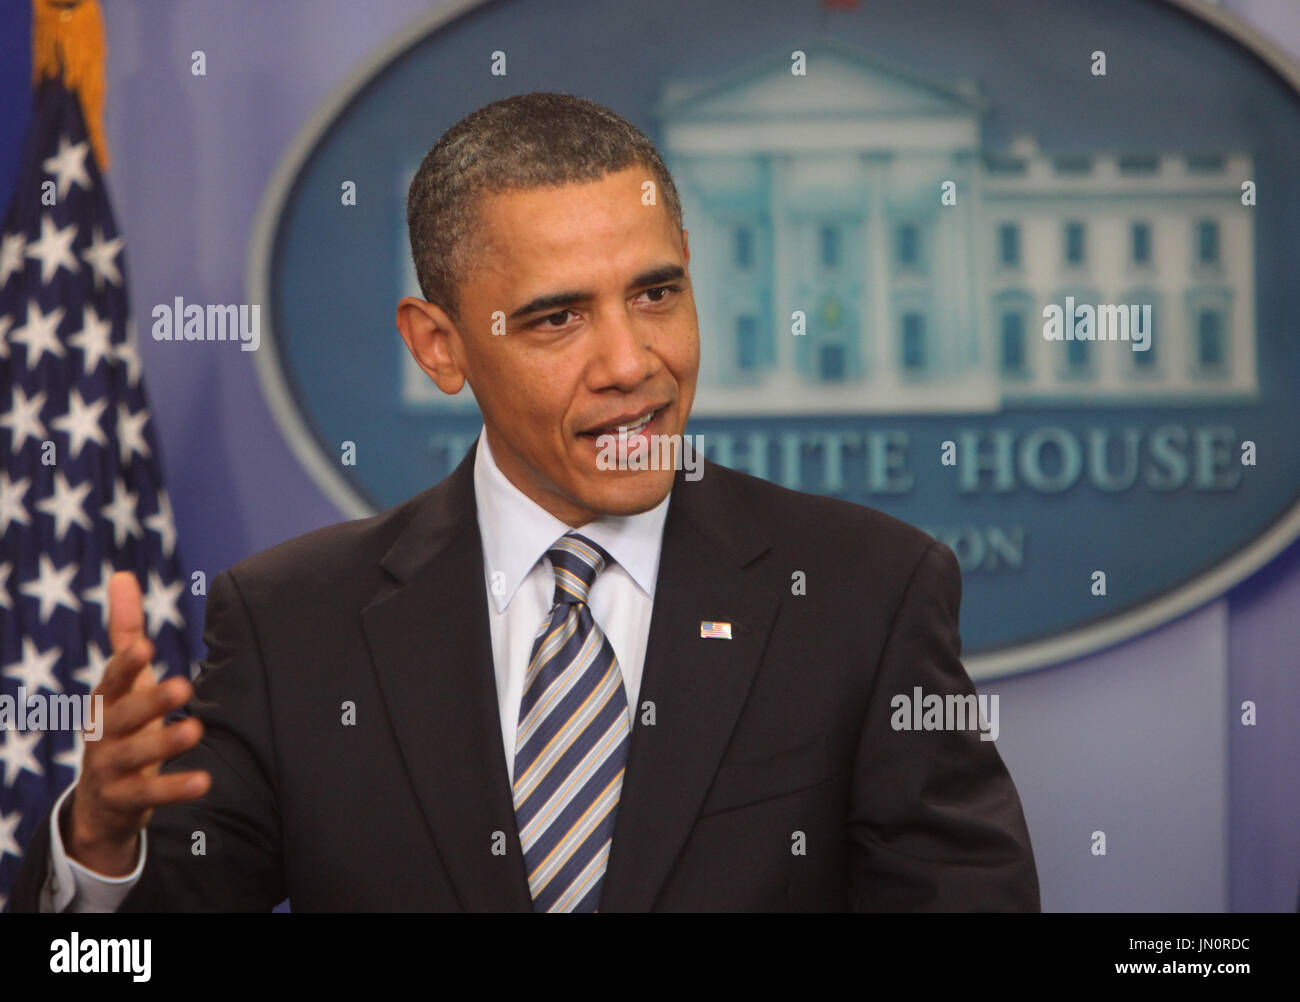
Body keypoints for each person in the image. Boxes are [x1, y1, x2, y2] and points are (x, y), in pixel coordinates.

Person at [11, 92, 1039, 912]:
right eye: (556, 319)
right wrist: (98, 852)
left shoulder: (865, 594)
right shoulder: (290, 626)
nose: (633, 363)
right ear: (439, 346)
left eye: (656, 293)